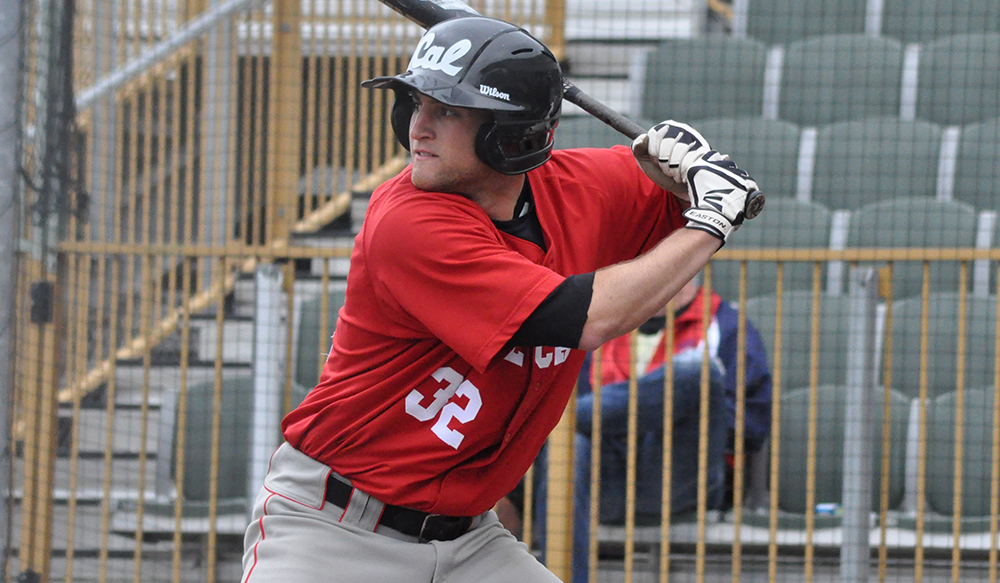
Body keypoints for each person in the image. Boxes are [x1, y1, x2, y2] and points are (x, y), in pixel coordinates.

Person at [240, 15, 760, 583]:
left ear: (510, 134)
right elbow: (585, 318)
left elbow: (691, 192)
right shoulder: (408, 221)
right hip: (336, 531)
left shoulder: (579, 188)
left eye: (447, 111)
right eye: (416, 104)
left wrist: (695, 168)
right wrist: (710, 221)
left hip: (470, 541)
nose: (418, 127)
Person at [533, 274, 772, 583]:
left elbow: (749, 426)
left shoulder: (725, 326)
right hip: (604, 481)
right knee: (569, 448)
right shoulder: (601, 327)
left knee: (698, 372)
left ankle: (552, 421)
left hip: (679, 477)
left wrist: (673, 410)